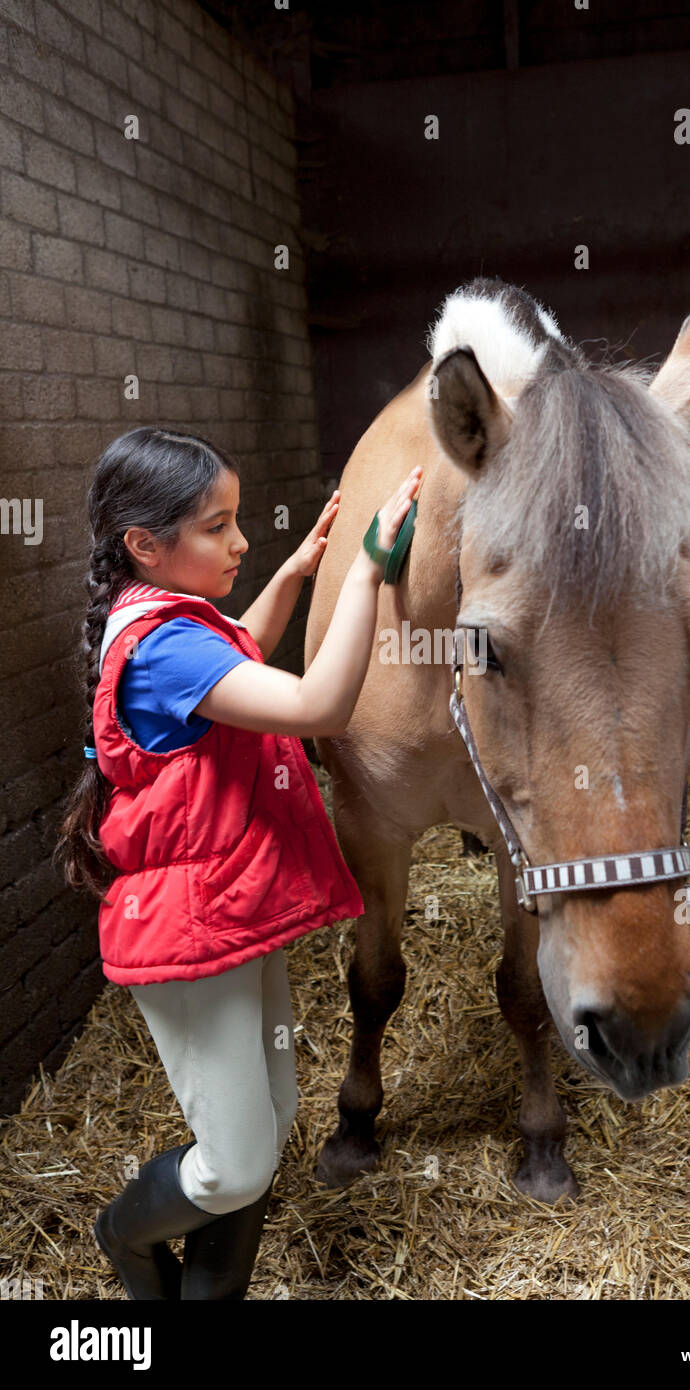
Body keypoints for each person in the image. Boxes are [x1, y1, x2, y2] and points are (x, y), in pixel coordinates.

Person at [54, 426, 422, 1300]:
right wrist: (365, 573)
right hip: (192, 930)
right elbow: (314, 703)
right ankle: (126, 1239)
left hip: (230, 906)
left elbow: (232, 669)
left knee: (270, 1122)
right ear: (146, 544)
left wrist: (295, 575)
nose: (241, 542)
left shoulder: (166, 622)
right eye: (217, 526)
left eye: (239, 522)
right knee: (233, 1169)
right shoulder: (168, 644)